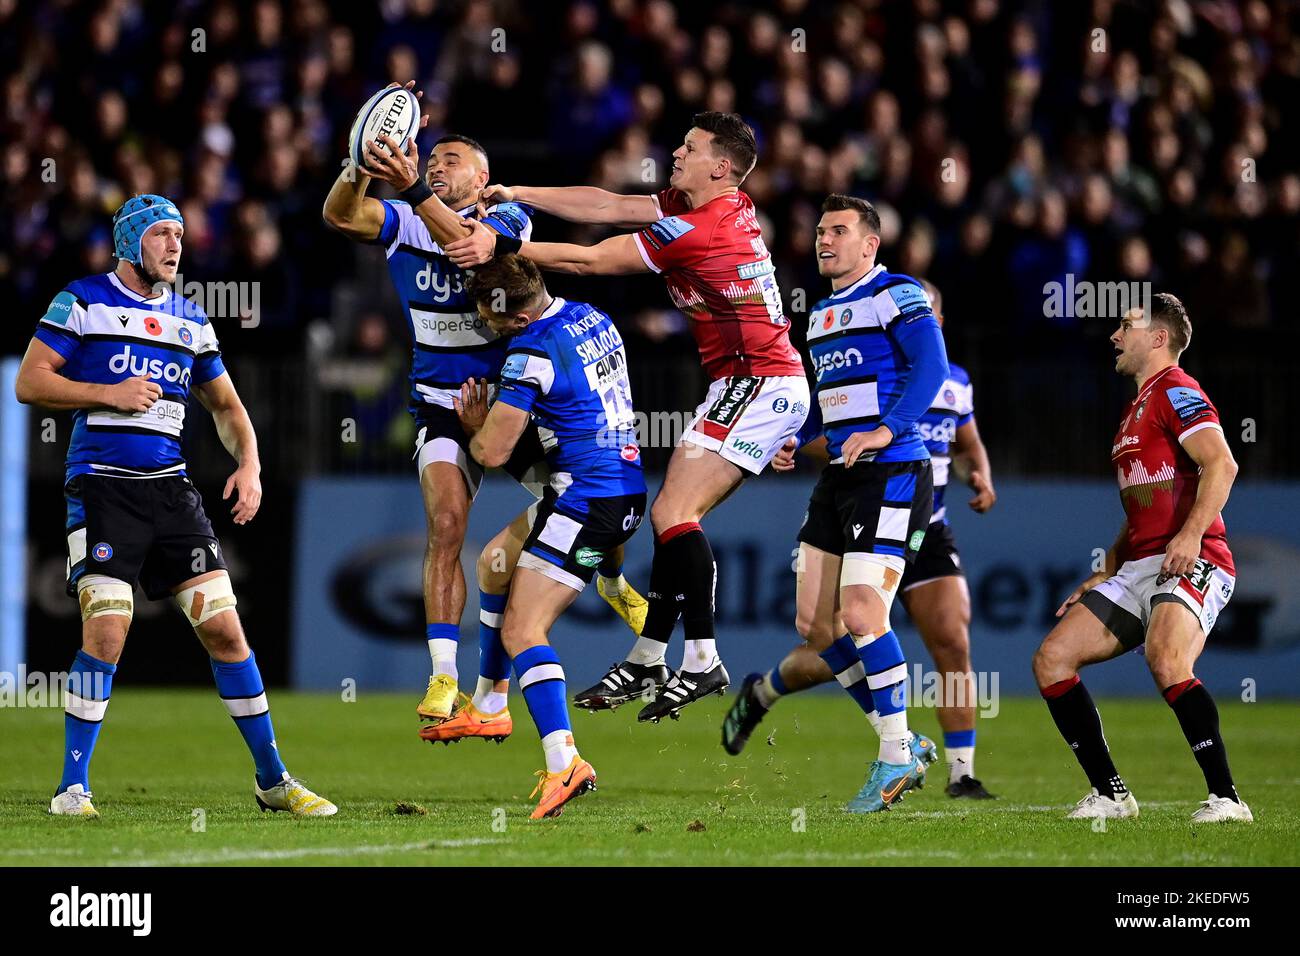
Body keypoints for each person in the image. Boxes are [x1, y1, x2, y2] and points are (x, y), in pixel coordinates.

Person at [445, 111, 809, 722]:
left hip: (758, 380)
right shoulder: (710, 207)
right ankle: (648, 656)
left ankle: (699, 657)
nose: (675, 152)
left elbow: (593, 261)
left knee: (672, 512)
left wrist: (503, 243)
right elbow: (609, 206)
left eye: (689, 148)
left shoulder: (702, 228)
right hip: (757, 384)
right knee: (671, 516)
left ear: (721, 166)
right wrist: (521, 194)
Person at [322, 82, 641, 736]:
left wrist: (414, 189)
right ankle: (447, 676)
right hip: (442, 402)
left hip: (512, 401)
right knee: (446, 523)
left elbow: (469, 247)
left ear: (485, 177)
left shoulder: (507, 223)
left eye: (453, 160)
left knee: (578, 499)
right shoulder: (408, 217)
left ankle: (608, 579)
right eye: (431, 158)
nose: (438, 165)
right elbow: (340, 218)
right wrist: (360, 161)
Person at [15, 194, 335, 818]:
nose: (175, 246)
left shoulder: (193, 320)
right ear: (132, 241)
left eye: (181, 236)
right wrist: (106, 391)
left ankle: (274, 781)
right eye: (162, 235)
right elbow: (30, 381)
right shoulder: (81, 300)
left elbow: (226, 407)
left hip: (171, 490)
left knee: (225, 630)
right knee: (107, 630)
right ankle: (71, 787)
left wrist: (250, 463)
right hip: (103, 486)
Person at [723, 279, 999, 799]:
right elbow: (830, 424)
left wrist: (979, 473)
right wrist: (799, 441)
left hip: (922, 520)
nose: (924, 322)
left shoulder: (952, 382)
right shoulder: (863, 359)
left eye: (932, 315)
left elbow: (966, 444)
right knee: (820, 634)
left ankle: (960, 773)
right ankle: (765, 691)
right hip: (864, 502)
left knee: (950, 644)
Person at [1032, 294, 1250, 823]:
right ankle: (1111, 794)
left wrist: (1191, 535)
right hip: (1140, 565)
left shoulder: (1177, 390)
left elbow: (1222, 465)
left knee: (1167, 658)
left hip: (1194, 558)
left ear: (1158, 338)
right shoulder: (1136, 407)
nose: (1114, 335)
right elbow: (1144, 506)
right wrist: (1105, 570)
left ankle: (1227, 798)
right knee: (1052, 660)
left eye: (1126, 325)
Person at [451, 255, 647, 818]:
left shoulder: (528, 350)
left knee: (523, 628)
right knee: (494, 561)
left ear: (510, 317)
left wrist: (474, 427)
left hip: (586, 501)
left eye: (488, 321)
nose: (487, 330)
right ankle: (490, 702)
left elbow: (491, 451)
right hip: (619, 489)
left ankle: (565, 763)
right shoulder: (592, 316)